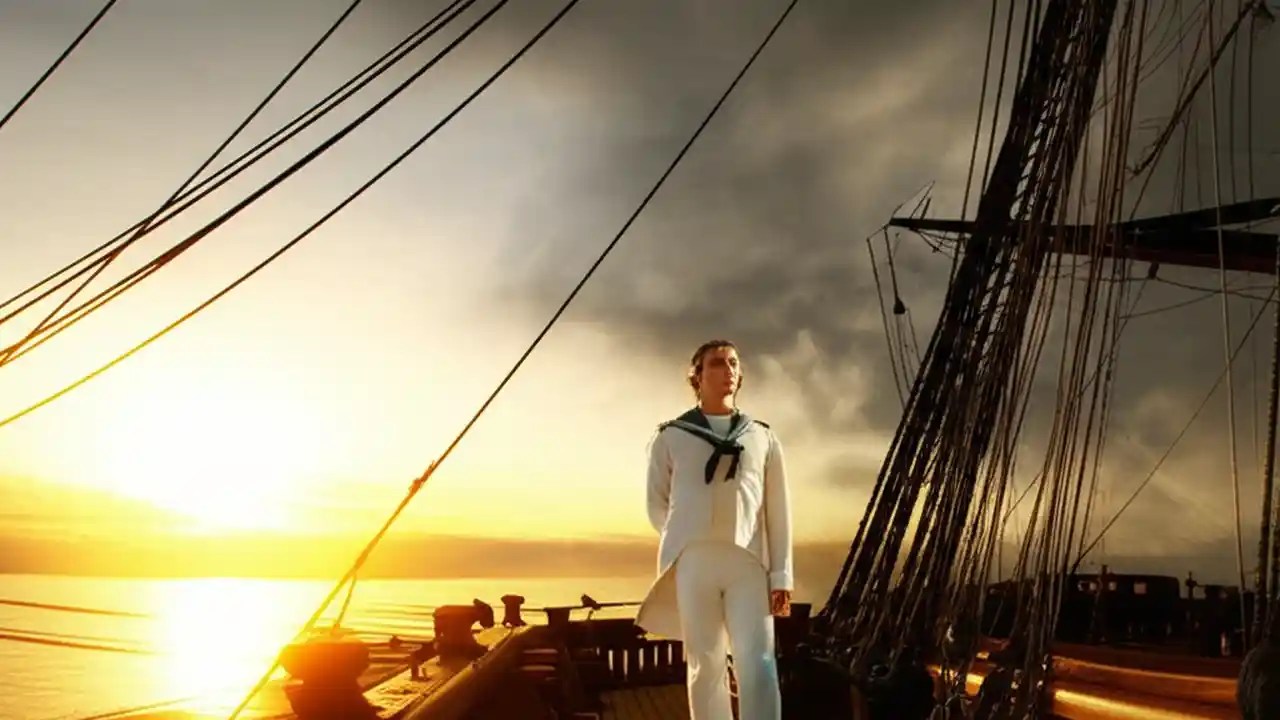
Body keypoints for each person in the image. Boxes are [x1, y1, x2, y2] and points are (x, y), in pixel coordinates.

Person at [635, 339, 794, 720]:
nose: (729, 371)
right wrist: (684, 537)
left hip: (748, 563)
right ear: (697, 375)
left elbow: (778, 510)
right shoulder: (671, 436)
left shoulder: (761, 437)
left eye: (734, 363)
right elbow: (657, 503)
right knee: (704, 664)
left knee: (758, 661)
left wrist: (781, 576)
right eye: (718, 363)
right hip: (693, 563)